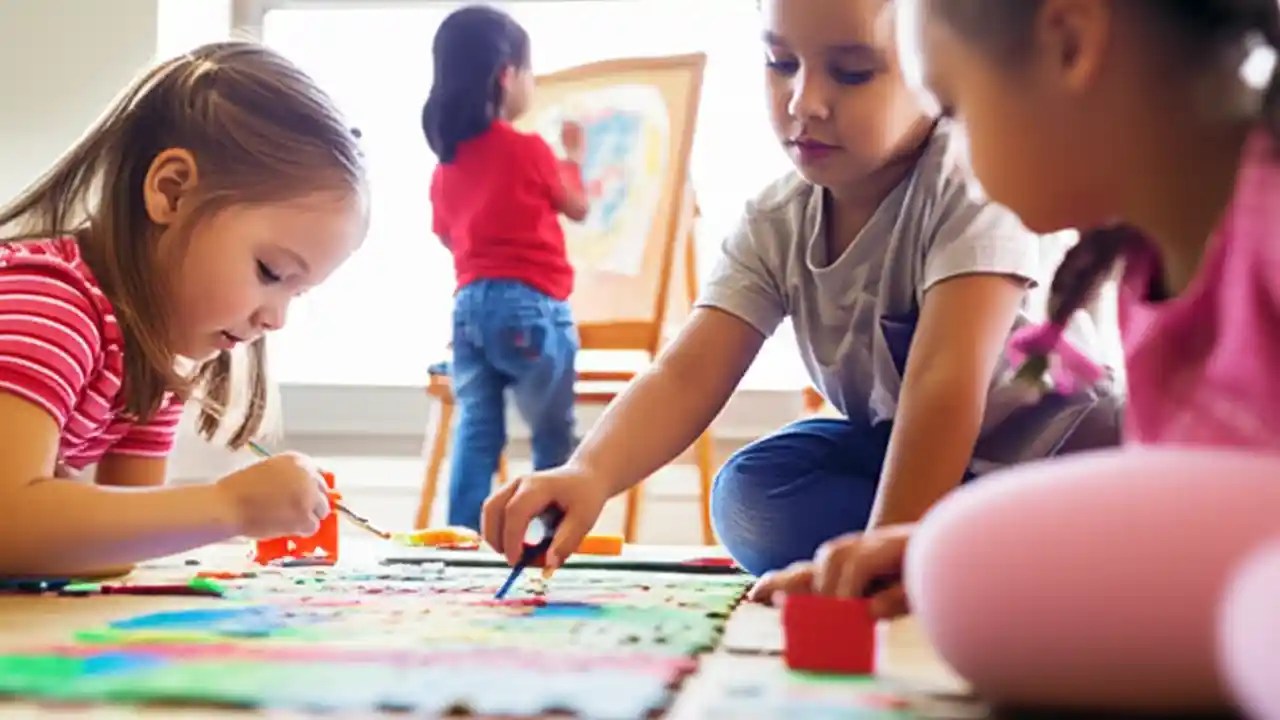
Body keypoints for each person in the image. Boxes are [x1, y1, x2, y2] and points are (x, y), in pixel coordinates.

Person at [754, 0, 1280, 712]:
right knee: (961, 574)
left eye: (956, 110)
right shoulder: (1143, 264)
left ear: (1068, 44)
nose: (956, 157)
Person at [481, 0, 1120, 576]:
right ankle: (967, 549)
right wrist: (589, 472)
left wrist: (886, 551)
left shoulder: (972, 175)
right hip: (922, 461)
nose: (803, 101)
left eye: (850, 72)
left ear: (937, 68)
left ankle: (959, 551)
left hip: (1058, 456)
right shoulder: (776, 220)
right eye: (780, 62)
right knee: (751, 496)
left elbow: (945, 382)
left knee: (1094, 505)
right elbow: (687, 373)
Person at [0, 41, 368, 577]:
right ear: (172, 193)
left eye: (297, 293)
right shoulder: (50, 306)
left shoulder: (149, 357)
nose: (276, 319)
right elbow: (9, 525)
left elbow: (115, 548)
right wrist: (231, 507)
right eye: (270, 272)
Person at [425, 5, 590, 531]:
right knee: (552, 432)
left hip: (469, 307)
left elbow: (445, 234)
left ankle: (459, 538)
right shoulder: (529, 151)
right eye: (530, 72)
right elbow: (578, 206)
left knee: (476, 431)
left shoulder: (448, 162)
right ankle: (551, 535)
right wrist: (573, 155)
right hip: (531, 305)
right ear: (506, 76)